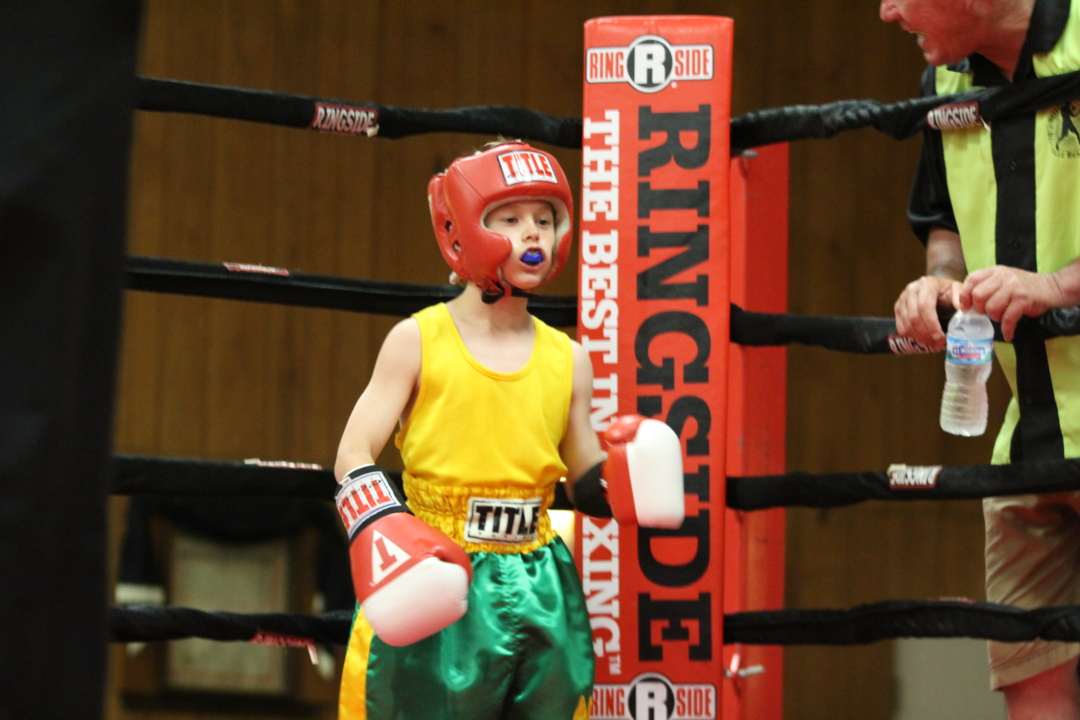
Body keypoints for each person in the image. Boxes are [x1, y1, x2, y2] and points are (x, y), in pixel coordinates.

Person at [331, 141, 685, 720]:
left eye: (544, 220)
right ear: (466, 228)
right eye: (512, 219)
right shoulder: (418, 339)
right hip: (441, 565)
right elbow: (352, 451)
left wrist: (629, 477)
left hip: (543, 577)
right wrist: (381, 526)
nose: (534, 235)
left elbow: (584, 474)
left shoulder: (567, 358)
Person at [882, 0, 1080, 717]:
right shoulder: (943, 81)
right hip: (1025, 437)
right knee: (1034, 690)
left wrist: (1058, 286)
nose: (887, 12)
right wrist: (939, 279)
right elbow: (942, 217)